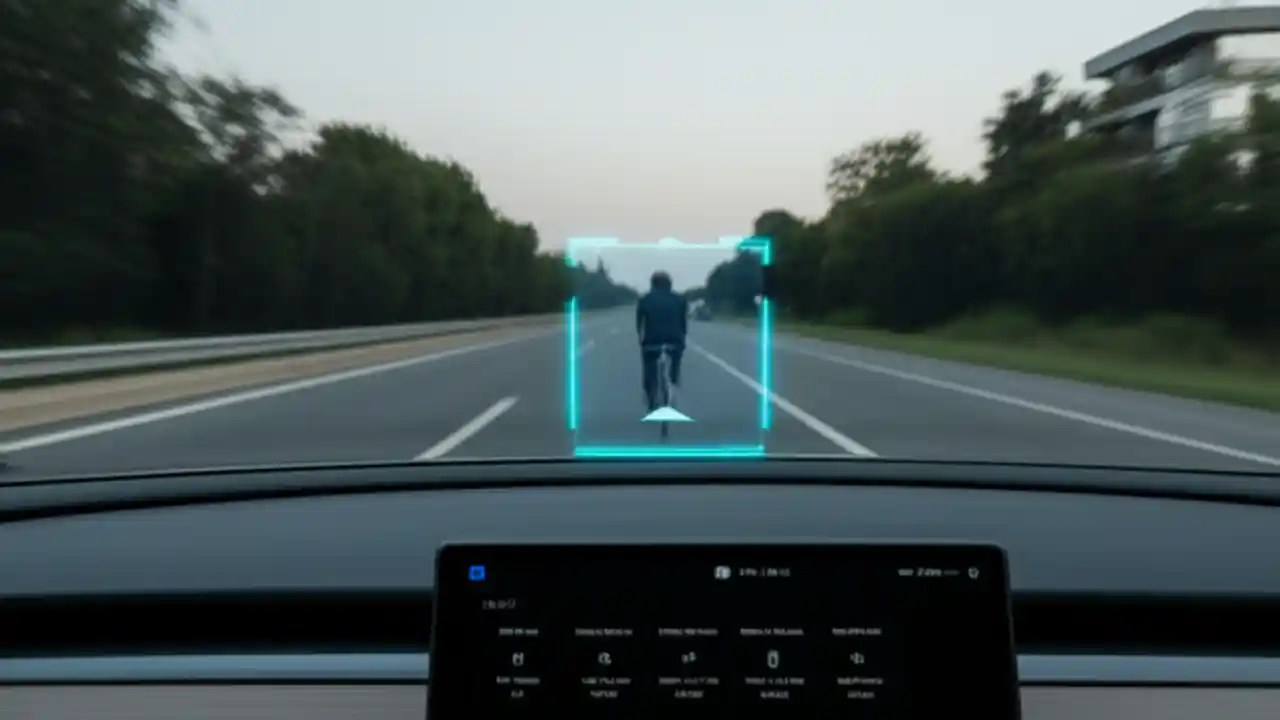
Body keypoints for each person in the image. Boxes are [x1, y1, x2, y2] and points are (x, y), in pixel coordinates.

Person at [636, 271, 688, 410]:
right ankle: (673, 381)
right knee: (675, 360)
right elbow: (683, 324)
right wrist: (682, 340)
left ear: (652, 284)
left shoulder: (644, 300)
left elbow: (639, 325)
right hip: (674, 341)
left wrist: (640, 340)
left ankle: (649, 393)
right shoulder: (680, 300)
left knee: (649, 367)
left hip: (651, 342)